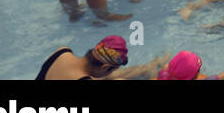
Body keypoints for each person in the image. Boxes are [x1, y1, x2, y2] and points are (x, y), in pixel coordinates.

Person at [35, 35, 167, 80]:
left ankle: (148, 68)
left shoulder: (62, 52)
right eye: (112, 69)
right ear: (105, 67)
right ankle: (149, 69)